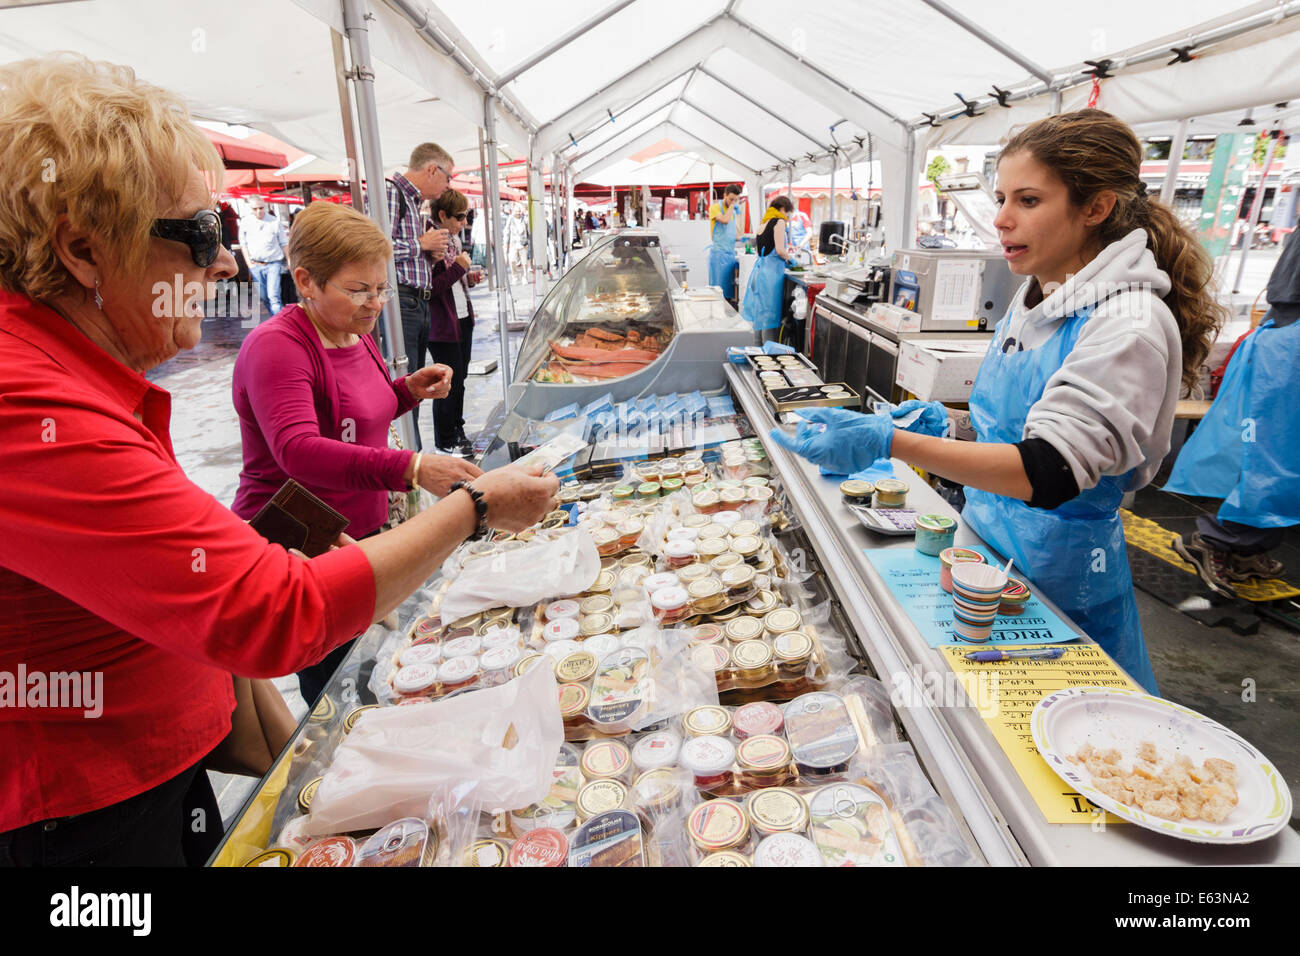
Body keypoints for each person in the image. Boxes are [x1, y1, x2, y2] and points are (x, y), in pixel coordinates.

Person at [0, 54, 560, 866]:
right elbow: (270, 608)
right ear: (83, 250)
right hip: (83, 817)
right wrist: (470, 510)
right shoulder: (26, 402)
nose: (224, 261)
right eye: (201, 233)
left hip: (147, 771)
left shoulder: (66, 373)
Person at [772, 110, 1226, 694]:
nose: (1002, 220)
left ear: (1096, 207)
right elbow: (1016, 423)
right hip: (987, 547)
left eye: (1029, 201)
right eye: (1002, 198)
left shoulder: (1128, 322)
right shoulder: (1037, 293)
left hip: (1062, 576)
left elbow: (1051, 469)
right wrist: (953, 427)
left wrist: (891, 442)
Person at [230, 200, 484, 702]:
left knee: (388, 675)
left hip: (364, 534)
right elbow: (299, 451)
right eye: (358, 290)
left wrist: (407, 389)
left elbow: (358, 416)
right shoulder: (276, 348)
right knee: (340, 692)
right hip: (307, 546)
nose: (374, 303)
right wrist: (411, 467)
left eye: (381, 289)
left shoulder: (353, 331)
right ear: (306, 281)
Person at [1166, 227, 1300, 596]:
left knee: (1278, 461)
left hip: (1285, 341)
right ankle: (1220, 541)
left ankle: (1248, 546)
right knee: (1274, 462)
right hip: (1289, 347)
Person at [384, 142, 455, 451]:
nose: (447, 185)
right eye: (447, 177)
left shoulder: (413, 203)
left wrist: (430, 255)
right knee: (405, 383)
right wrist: (421, 245)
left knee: (414, 382)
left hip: (416, 302)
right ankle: (408, 456)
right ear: (431, 169)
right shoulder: (392, 193)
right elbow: (377, 248)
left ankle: (413, 452)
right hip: (402, 301)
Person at [428, 188, 482, 457]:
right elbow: (431, 288)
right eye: (460, 217)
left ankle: (456, 429)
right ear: (442, 215)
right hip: (442, 326)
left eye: (466, 216)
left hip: (462, 318)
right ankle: (444, 439)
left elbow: (453, 284)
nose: (464, 223)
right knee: (446, 383)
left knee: (460, 379)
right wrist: (460, 268)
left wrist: (467, 277)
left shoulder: (454, 244)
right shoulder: (433, 245)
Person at [742, 195, 794, 343]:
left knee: (759, 320)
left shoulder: (763, 224)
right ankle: (768, 359)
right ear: (783, 209)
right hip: (770, 277)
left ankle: (756, 357)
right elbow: (780, 250)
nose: (787, 216)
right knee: (770, 322)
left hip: (758, 274)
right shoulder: (779, 221)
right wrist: (791, 259)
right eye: (787, 212)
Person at [240, 195, 289, 320]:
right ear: (250, 208)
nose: (259, 211)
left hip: (273, 263)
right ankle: (276, 319)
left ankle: (279, 323)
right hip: (255, 265)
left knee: (274, 297)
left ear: (265, 206)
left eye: (261, 208)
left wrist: (289, 260)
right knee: (264, 297)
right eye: (255, 209)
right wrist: (249, 264)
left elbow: (284, 243)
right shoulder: (245, 222)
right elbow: (243, 244)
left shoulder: (274, 221)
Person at [708, 184, 742, 305]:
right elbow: (724, 221)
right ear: (724, 196)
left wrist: (740, 238)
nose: (733, 202)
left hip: (730, 255)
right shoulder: (715, 208)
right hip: (719, 256)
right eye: (731, 199)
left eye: (736, 200)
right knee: (718, 293)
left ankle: (726, 319)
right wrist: (732, 207)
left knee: (728, 294)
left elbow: (730, 232)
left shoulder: (731, 211)